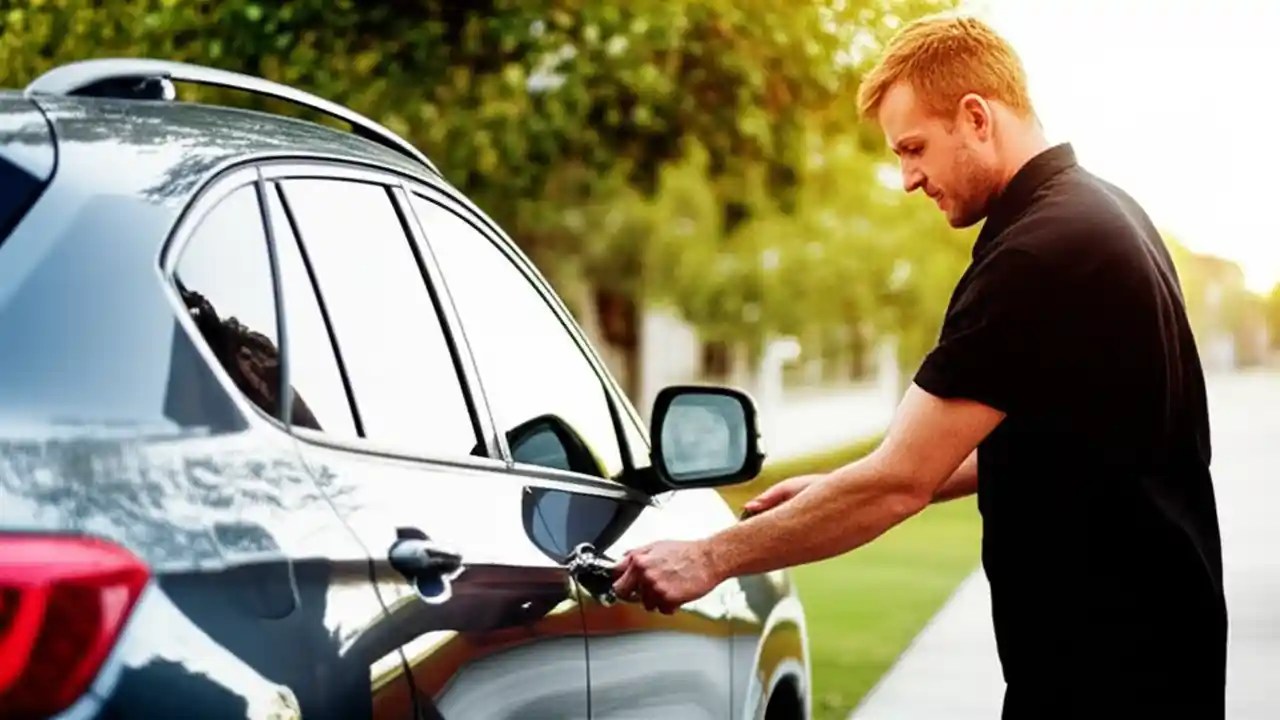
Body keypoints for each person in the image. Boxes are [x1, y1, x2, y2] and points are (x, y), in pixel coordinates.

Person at [611, 13, 1227, 718]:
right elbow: (1050, 442)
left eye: (913, 148)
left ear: (976, 118)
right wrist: (837, 485)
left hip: (1105, 676)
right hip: (1156, 657)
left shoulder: (1038, 254)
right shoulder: (1105, 212)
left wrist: (708, 558)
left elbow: (897, 483)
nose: (908, 179)